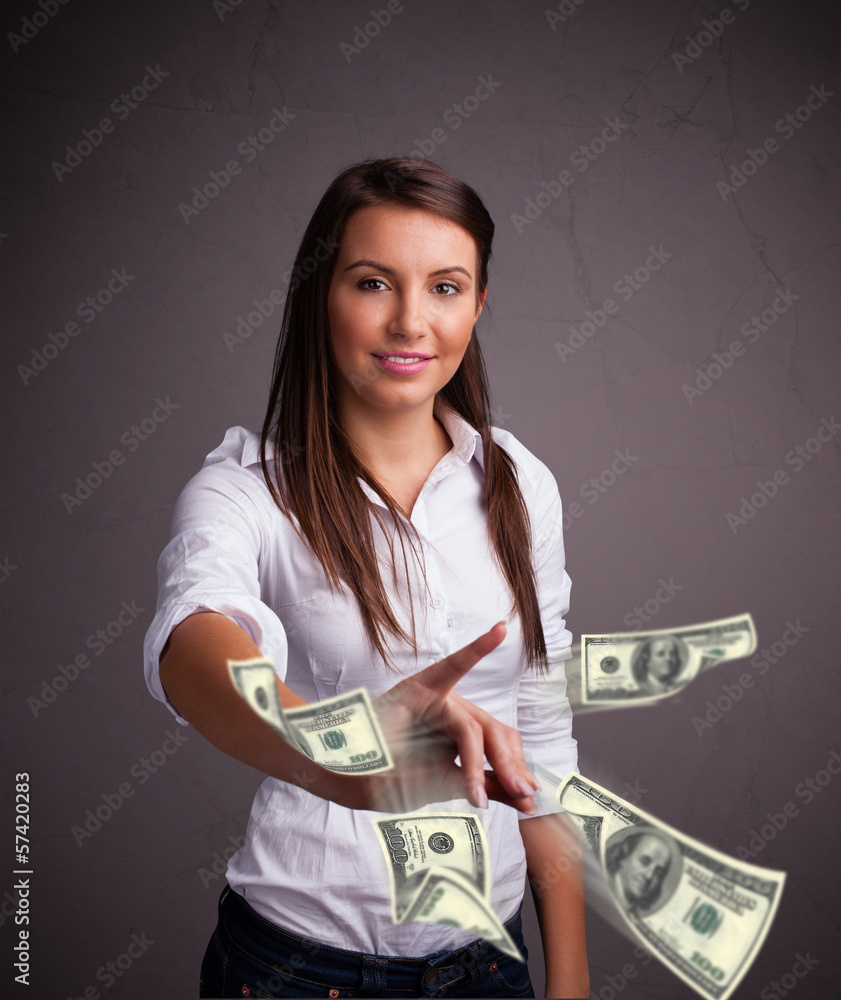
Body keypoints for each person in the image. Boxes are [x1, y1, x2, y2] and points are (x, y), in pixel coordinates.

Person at [143, 157, 589, 998]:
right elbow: (197, 640)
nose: (411, 322)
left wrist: (568, 983)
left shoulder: (520, 485)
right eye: (374, 282)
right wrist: (343, 748)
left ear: (479, 304)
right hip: (295, 969)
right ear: (321, 295)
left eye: (446, 287)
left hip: (488, 965)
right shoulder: (245, 492)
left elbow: (544, 748)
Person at [604, 829, 673, 915]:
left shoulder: (635, 917)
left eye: (659, 873)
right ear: (625, 855)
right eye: (644, 861)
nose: (649, 876)